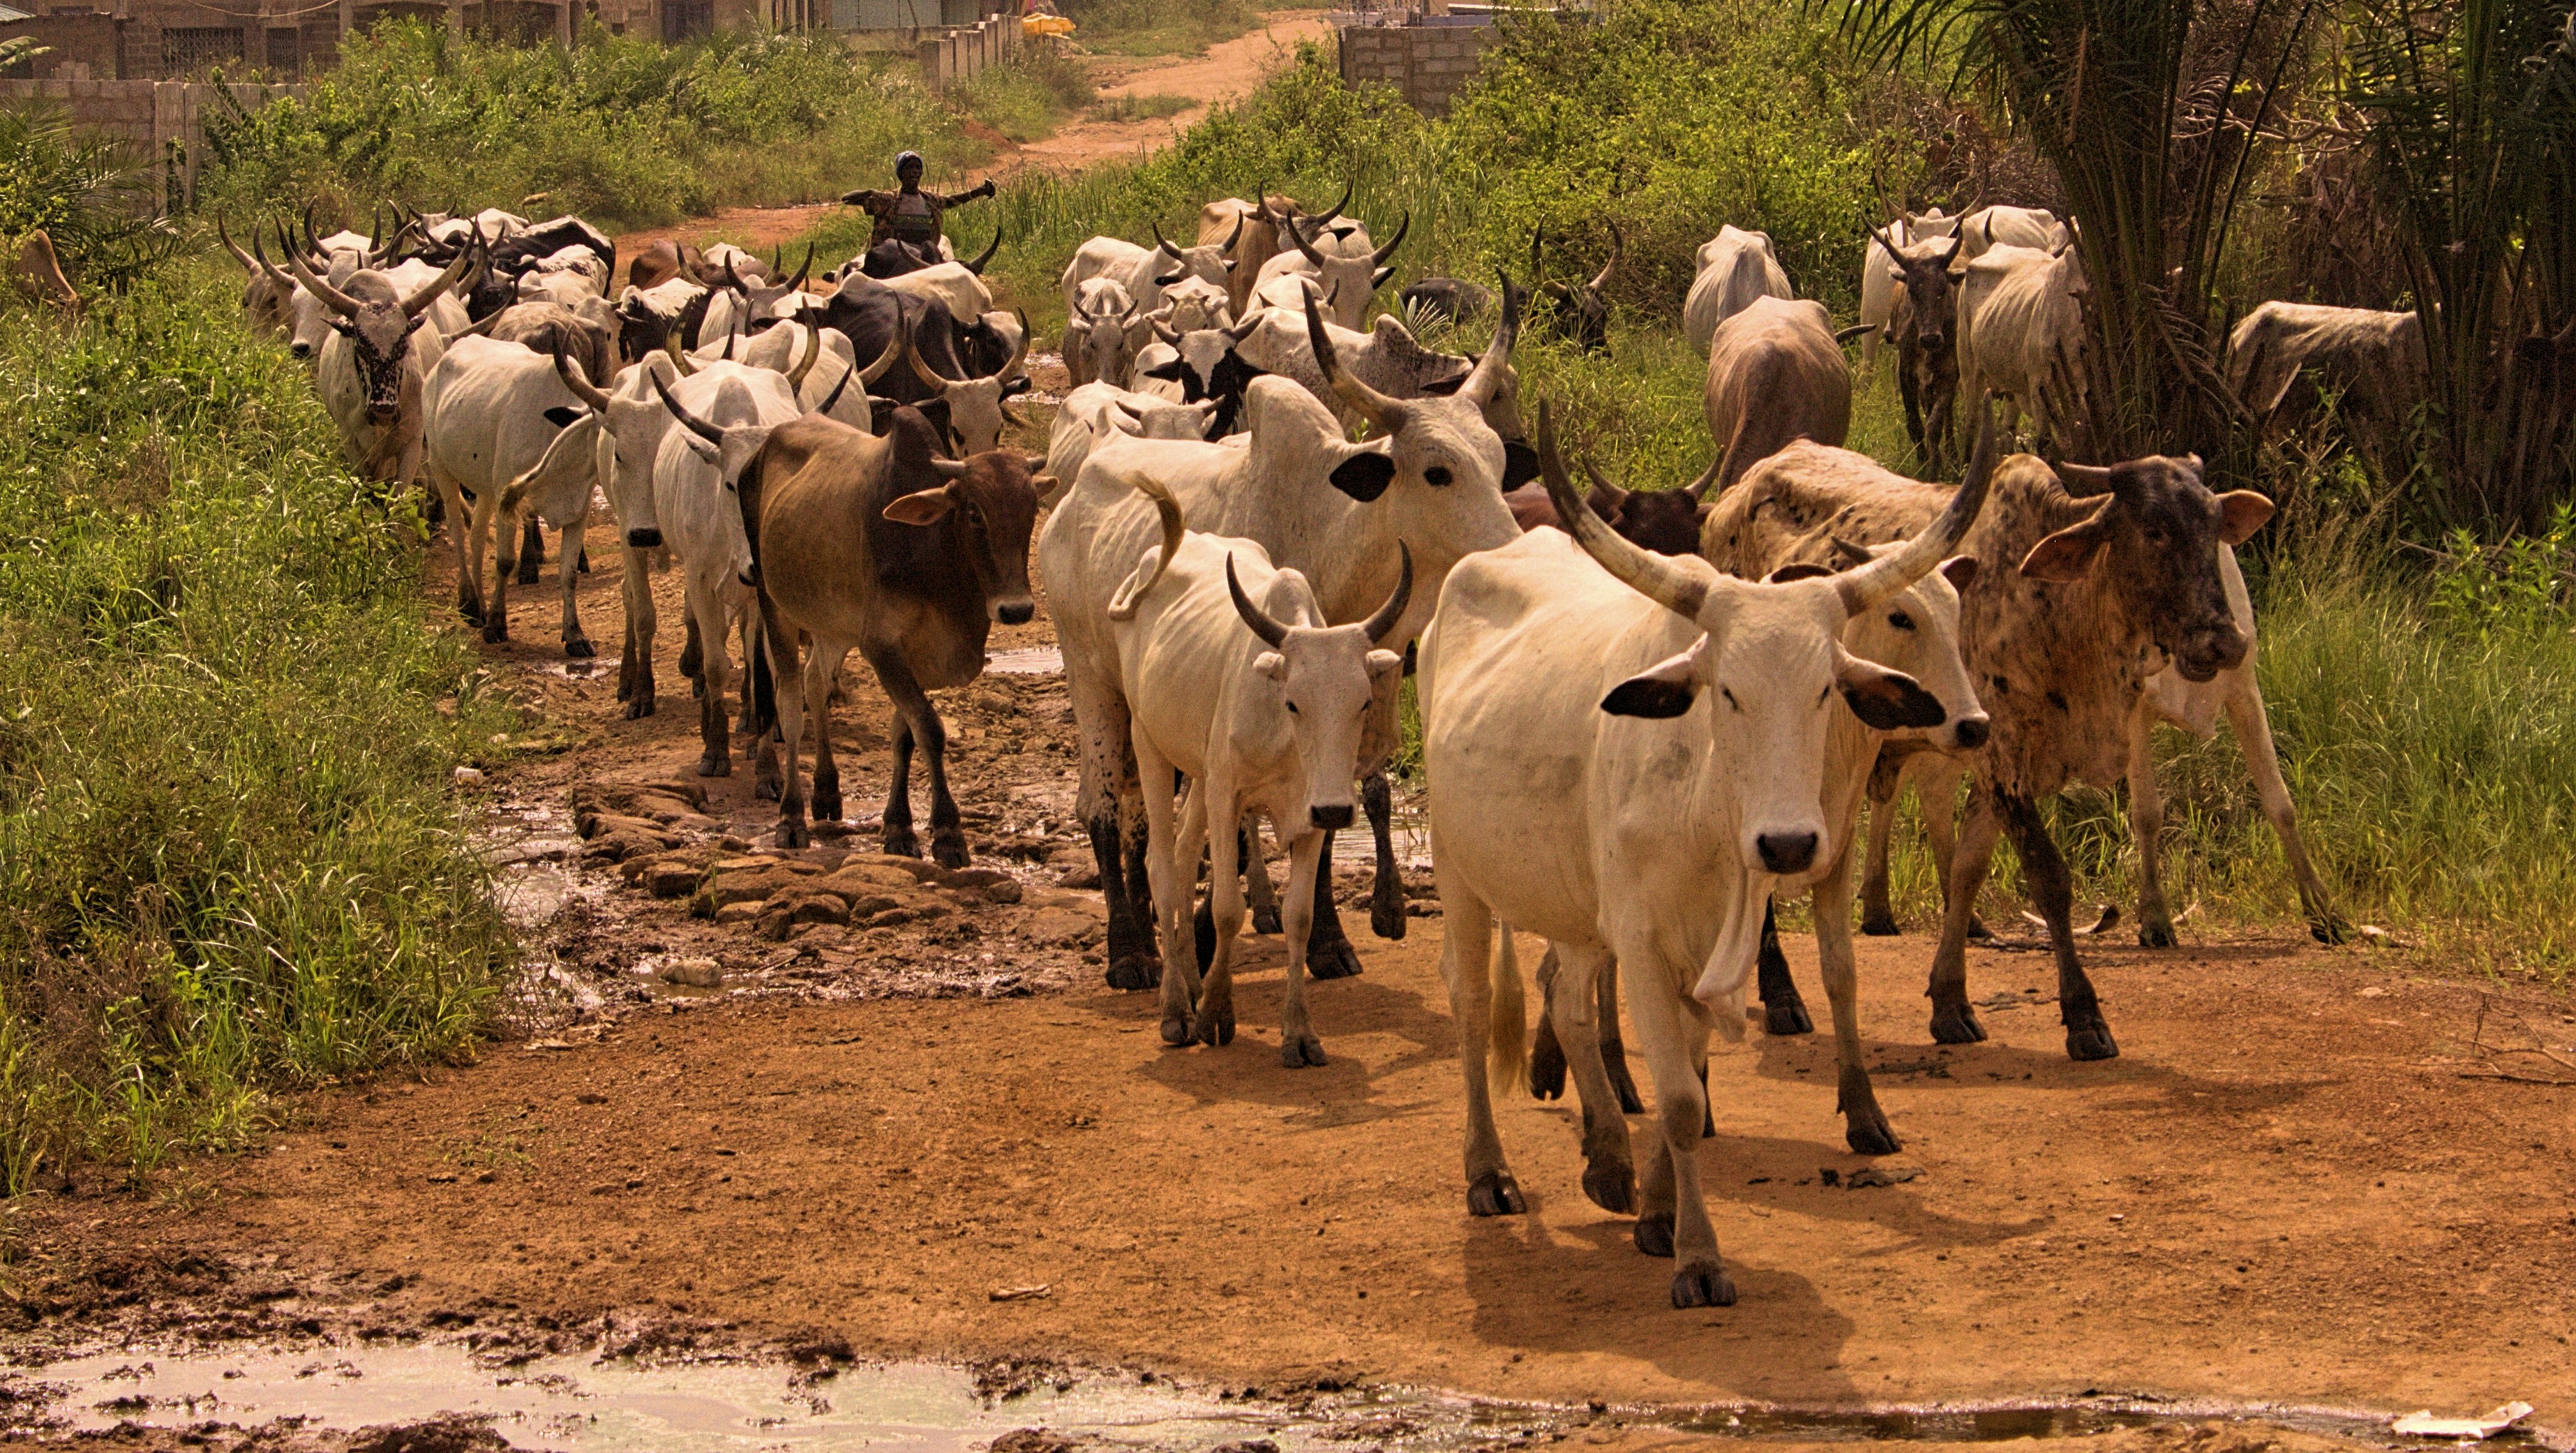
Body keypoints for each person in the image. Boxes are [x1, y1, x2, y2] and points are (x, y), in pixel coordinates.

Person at [840, 151, 996, 253]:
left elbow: (951, 201)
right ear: (900, 174)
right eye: (909, 168)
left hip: (923, 256)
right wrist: (869, 193)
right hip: (894, 255)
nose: (915, 171)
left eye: (917, 167)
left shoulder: (930, 200)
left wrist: (980, 191)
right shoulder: (889, 200)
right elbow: (847, 199)